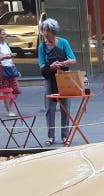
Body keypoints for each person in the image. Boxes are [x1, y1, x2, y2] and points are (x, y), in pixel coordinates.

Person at [38, 18, 76, 146]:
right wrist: (51, 67)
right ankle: (51, 136)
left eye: (48, 30)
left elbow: (73, 59)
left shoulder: (63, 42)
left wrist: (62, 63)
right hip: (50, 79)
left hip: (64, 77)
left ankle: (65, 136)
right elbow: (42, 66)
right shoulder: (41, 47)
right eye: (44, 30)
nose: (45, 33)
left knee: (65, 107)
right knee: (50, 108)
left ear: (53, 31)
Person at [0, 28, 21, 116]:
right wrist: (3, 58)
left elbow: (10, 57)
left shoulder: (6, 44)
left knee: (16, 90)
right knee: (6, 90)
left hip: (10, 67)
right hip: (2, 68)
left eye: (5, 34)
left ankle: (10, 107)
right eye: (3, 34)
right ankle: (8, 110)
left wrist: (16, 70)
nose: (5, 35)